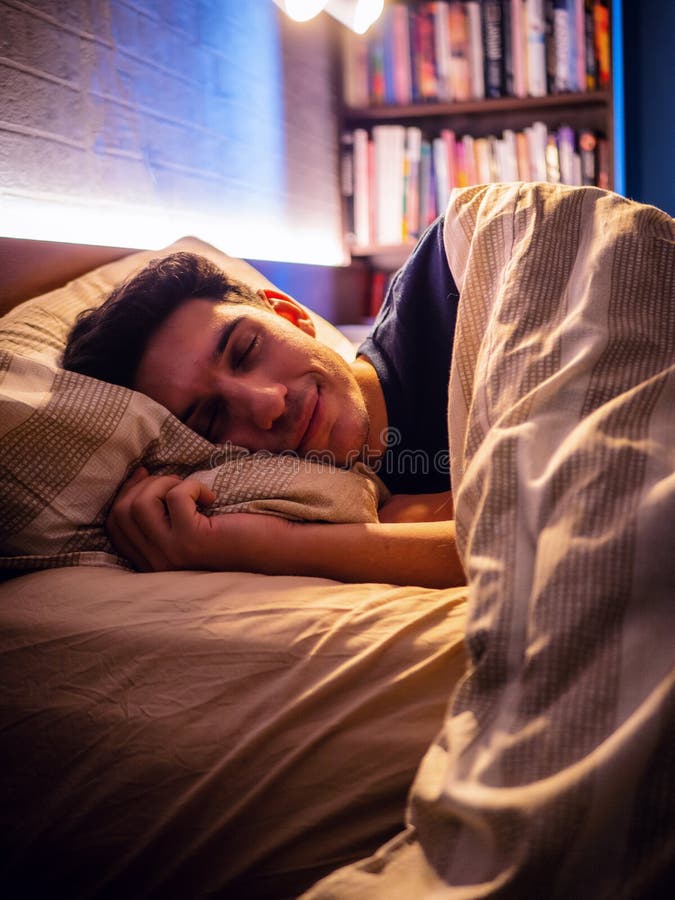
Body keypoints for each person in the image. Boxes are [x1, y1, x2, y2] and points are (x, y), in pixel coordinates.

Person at [63, 219, 465, 588]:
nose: (268, 404)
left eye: (247, 349)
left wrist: (283, 548)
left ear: (290, 315)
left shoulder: (450, 271)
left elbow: (525, 535)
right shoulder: (347, 503)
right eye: (213, 418)